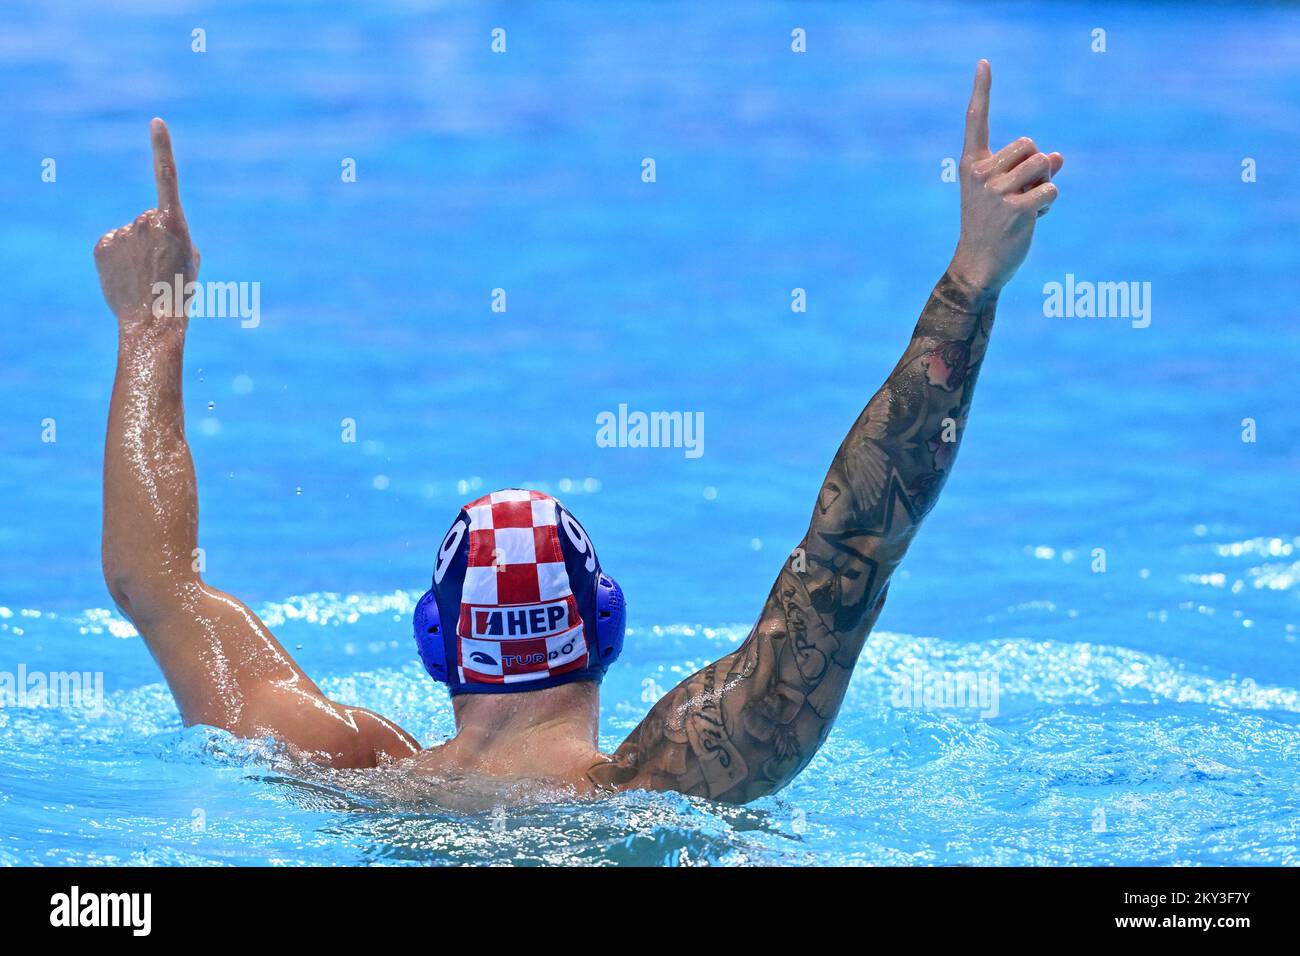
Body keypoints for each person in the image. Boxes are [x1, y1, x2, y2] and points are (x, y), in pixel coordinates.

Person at [96, 61, 1060, 805]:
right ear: (605, 629)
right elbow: (850, 548)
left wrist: (153, 323)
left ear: (437, 641)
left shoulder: (351, 780)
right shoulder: (676, 779)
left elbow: (156, 581)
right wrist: (972, 278)